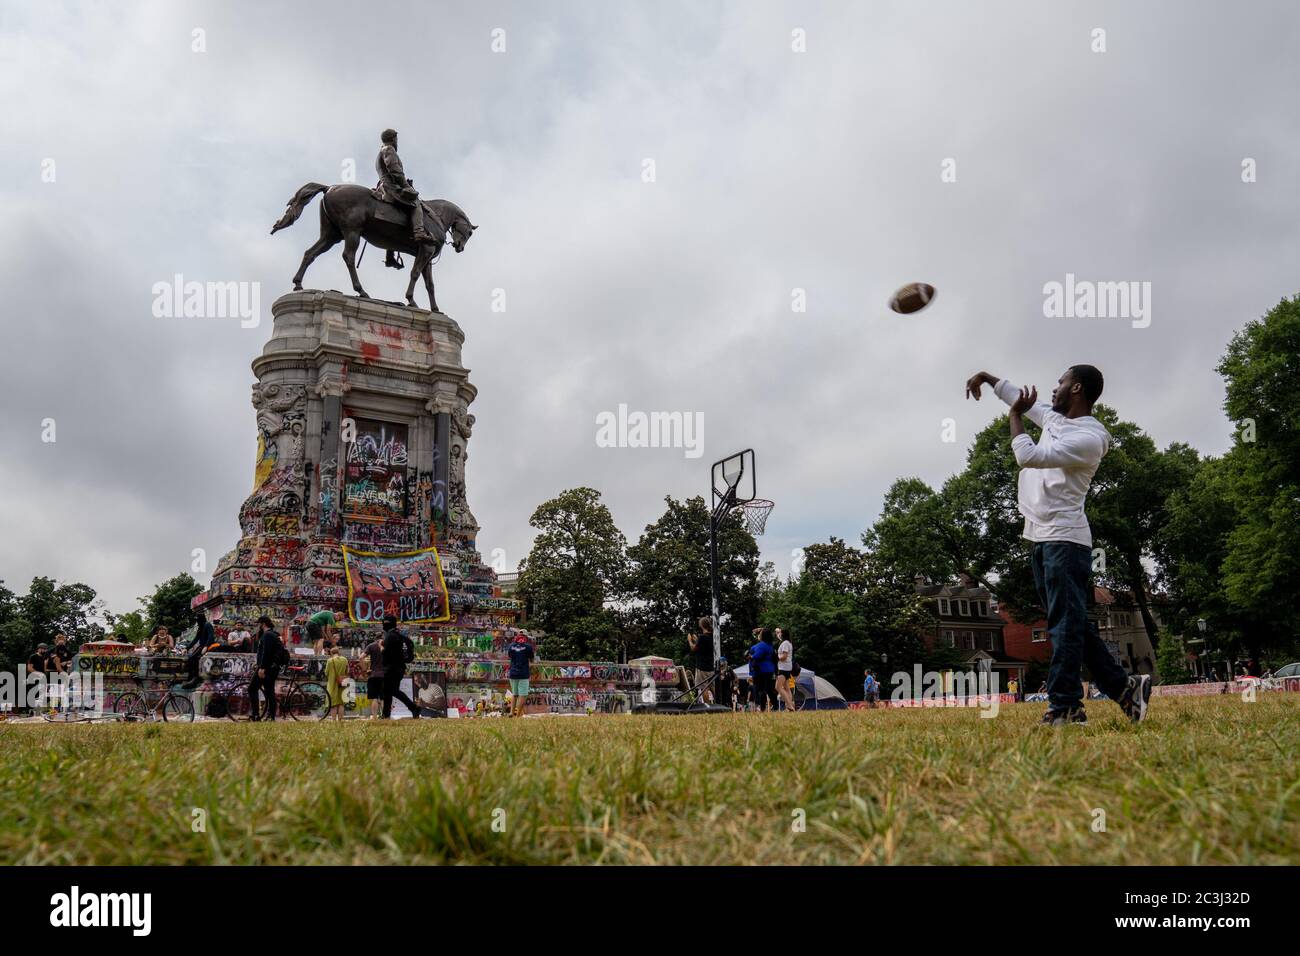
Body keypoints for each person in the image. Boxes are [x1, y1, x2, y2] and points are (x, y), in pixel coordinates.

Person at [966, 366, 1151, 725]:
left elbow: (1028, 456)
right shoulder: (1057, 421)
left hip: (1065, 540)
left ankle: (1065, 705)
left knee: (1065, 626)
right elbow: (1020, 397)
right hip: (1041, 537)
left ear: (1077, 388)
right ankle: (1124, 689)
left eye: (1061, 382)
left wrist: (1015, 416)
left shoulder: (1089, 438)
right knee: (1073, 625)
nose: (1054, 388)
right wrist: (989, 379)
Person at [374, 128, 432, 262]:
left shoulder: (381, 150)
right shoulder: (388, 149)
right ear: (393, 139)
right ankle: (419, 233)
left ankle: (390, 255)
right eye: (396, 139)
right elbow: (395, 170)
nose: (397, 141)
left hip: (385, 186)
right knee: (415, 203)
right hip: (391, 188)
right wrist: (406, 186)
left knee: (396, 214)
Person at [380, 614, 419, 719]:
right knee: (389, 691)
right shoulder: (400, 636)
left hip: (391, 668)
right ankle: (386, 714)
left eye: (384, 623)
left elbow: (384, 653)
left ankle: (413, 707)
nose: (383, 625)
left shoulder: (390, 636)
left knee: (391, 691)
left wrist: (380, 646)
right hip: (399, 668)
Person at [250, 616, 286, 721]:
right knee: (269, 691)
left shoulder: (268, 635)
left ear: (263, 624)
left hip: (266, 668)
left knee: (252, 688)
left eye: (259, 624)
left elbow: (266, 653)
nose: (258, 626)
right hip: (271, 668)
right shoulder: (273, 634)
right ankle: (271, 716)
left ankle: (256, 714)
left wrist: (262, 668)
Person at [182, 611, 216, 689]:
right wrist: (186, 648)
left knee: (194, 658)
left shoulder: (207, 625)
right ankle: (191, 678)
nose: (197, 621)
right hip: (202, 645)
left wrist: (206, 646)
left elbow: (211, 637)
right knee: (191, 658)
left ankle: (195, 678)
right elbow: (195, 639)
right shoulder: (200, 627)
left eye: (198, 619)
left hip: (208, 645)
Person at [747, 627, 778, 712]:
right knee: (769, 689)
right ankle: (775, 706)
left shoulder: (760, 646)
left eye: (760, 634)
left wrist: (750, 656)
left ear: (763, 636)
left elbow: (757, 656)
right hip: (769, 670)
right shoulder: (770, 646)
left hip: (759, 670)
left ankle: (762, 708)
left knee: (761, 690)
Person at [686, 616, 715, 705]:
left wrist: (690, 641)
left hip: (702, 666)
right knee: (713, 688)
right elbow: (703, 647)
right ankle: (718, 705)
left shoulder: (702, 637)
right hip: (711, 665)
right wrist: (697, 640)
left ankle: (707, 706)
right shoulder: (713, 636)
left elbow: (694, 648)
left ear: (702, 625)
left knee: (704, 688)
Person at [506, 630, 534, 718]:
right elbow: (532, 659)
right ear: (526, 636)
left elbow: (510, 656)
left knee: (515, 694)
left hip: (513, 673)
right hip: (523, 673)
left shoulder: (511, 646)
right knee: (523, 695)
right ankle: (518, 715)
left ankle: (511, 712)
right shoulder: (528, 647)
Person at [364, 631, 386, 718]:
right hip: (384, 675)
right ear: (382, 638)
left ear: (375, 638)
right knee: (383, 698)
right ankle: (384, 716)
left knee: (375, 698)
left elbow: (361, 657)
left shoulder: (371, 646)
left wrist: (365, 669)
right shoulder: (385, 646)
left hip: (373, 674)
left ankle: (374, 717)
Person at [324, 643, 348, 722]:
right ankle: (340, 721)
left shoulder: (330, 661)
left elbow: (326, 673)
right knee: (341, 703)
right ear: (339, 652)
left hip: (332, 685)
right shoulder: (344, 659)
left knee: (333, 704)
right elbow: (347, 671)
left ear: (331, 653)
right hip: (342, 684)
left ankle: (334, 721)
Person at [775, 627, 795, 711]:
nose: (779, 634)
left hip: (783, 668)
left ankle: (790, 706)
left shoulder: (785, 643)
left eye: (780, 633)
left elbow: (784, 657)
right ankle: (790, 706)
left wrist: (776, 657)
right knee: (787, 688)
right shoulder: (787, 643)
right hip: (787, 667)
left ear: (783, 634)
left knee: (778, 687)